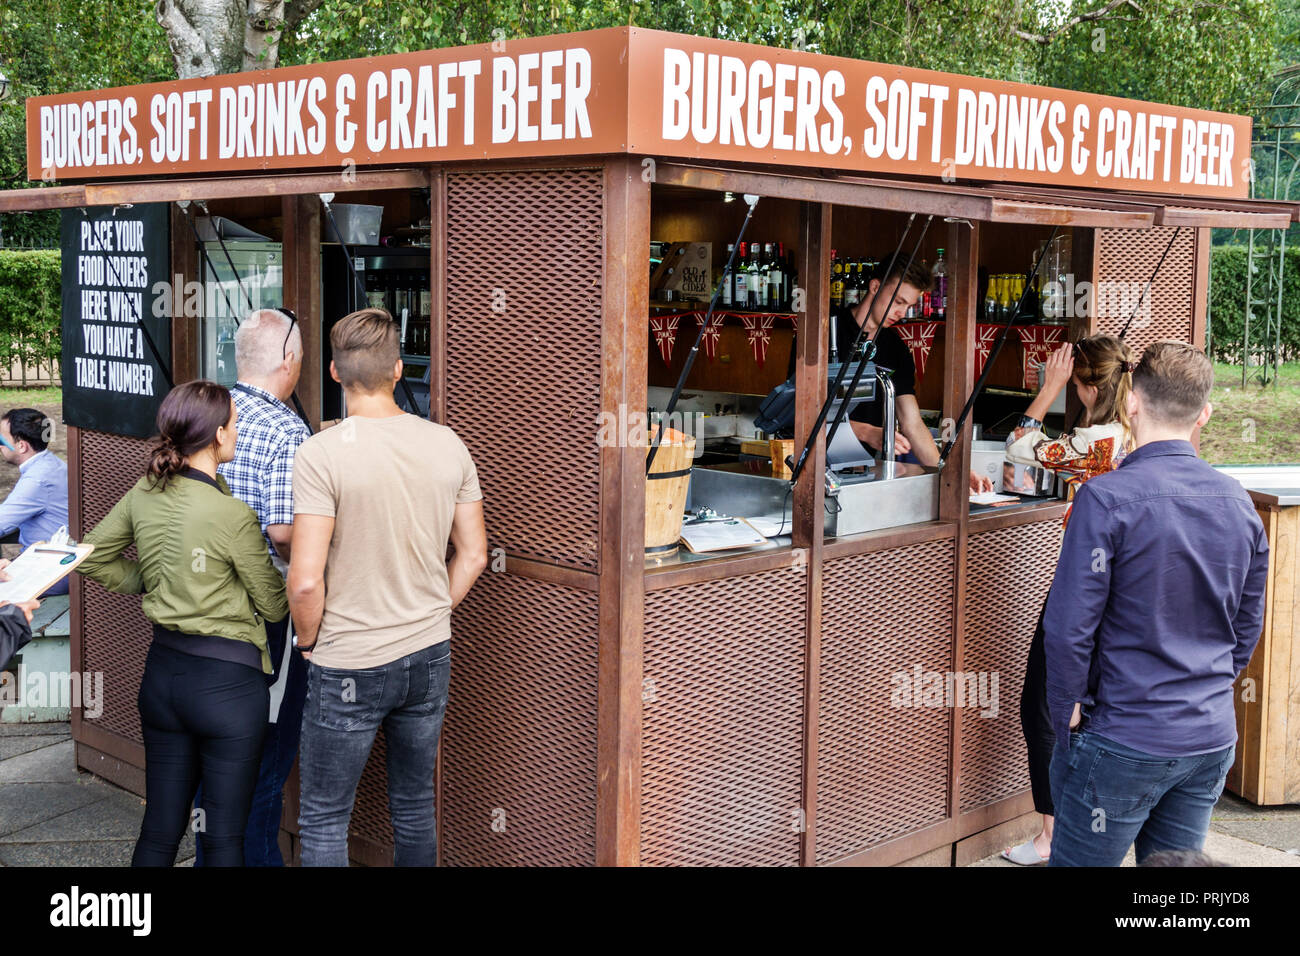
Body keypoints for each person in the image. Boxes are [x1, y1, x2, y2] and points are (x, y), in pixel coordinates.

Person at [1044, 340, 1268, 867]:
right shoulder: (1238, 501)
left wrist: (1066, 712)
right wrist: (1208, 686)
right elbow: (1247, 625)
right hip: (1207, 733)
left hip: (1123, 734)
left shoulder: (1104, 498)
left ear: (1131, 404)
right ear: (1203, 415)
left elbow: (1068, 627)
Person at [290, 308, 487, 867]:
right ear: (399, 370)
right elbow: (473, 554)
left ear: (334, 372)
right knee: (415, 802)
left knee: (326, 816)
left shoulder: (320, 454)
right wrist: (430, 610)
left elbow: (304, 583)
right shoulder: (447, 443)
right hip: (428, 654)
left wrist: (308, 643)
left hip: (349, 657)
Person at [78, 381, 289, 866]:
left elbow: (88, 557)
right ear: (217, 434)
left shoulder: (144, 493)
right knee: (221, 839)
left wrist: (155, 581)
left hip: (163, 678)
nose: (238, 430)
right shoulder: (231, 514)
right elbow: (275, 607)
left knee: (160, 830)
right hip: (228, 688)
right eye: (234, 423)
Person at [999, 334, 1136, 865]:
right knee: (1097, 714)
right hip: (1127, 595)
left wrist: (1045, 388)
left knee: (1045, 711)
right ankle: (1094, 828)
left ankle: (1053, 836)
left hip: (1082, 595)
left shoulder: (1096, 442)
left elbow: (1018, 445)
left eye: (1071, 380)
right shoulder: (1131, 433)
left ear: (1084, 386)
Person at [191, 308, 311, 867]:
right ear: (289, 359)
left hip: (198, 615)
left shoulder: (208, 413)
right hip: (264, 620)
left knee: (212, 770)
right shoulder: (287, 428)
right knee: (264, 770)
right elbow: (284, 535)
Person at [821, 256, 992, 493]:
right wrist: (865, 432)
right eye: (898, 301)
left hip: (862, 473)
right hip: (812, 468)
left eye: (908, 306)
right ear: (875, 287)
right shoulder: (825, 331)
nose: (902, 312)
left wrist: (950, 472)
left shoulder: (895, 348)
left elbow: (912, 423)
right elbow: (801, 411)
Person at [0, 408, 69, 595]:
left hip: (51, 571)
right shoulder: (54, 464)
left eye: (2, 440)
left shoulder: (37, 480)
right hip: (58, 562)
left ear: (21, 446)